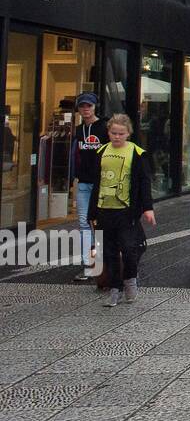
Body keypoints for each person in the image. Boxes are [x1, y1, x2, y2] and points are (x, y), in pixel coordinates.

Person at [86, 114, 155, 307]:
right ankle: (114, 289)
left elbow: (144, 182)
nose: (117, 137)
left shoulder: (137, 153)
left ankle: (130, 280)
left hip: (126, 210)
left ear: (128, 134)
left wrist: (147, 208)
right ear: (108, 132)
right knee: (109, 252)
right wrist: (91, 213)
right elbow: (97, 183)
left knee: (128, 248)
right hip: (103, 209)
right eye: (113, 133)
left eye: (121, 133)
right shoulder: (101, 151)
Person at [69, 92, 108, 282]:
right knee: (84, 222)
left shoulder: (104, 127)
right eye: (82, 106)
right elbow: (73, 156)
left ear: (95, 107)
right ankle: (88, 263)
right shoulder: (77, 130)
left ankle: (101, 260)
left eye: (89, 106)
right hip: (83, 182)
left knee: (99, 222)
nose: (86, 109)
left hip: (101, 182)